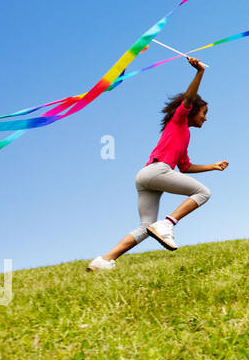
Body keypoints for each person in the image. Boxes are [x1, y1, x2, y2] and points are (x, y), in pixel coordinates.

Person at [87, 57, 228, 271]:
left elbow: (185, 167)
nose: (206, 118)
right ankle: (168, 224)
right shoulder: (179, 119)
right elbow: (189, 98)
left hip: (145, 177)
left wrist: (212, 166)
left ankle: (104, 261)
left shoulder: (184, 134)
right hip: (156, 172)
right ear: (191, 111)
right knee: (203, 193)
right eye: (204, 113)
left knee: (146, 227)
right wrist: (200, 72)